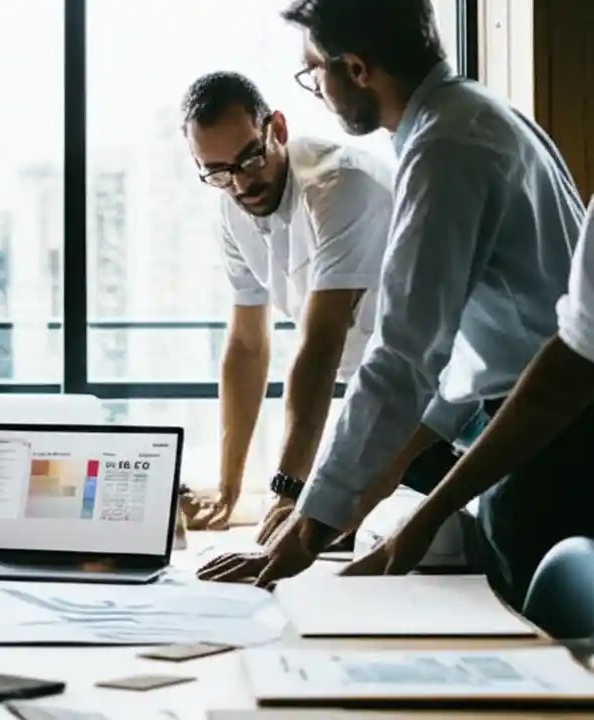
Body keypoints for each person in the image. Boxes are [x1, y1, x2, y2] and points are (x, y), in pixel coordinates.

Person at [198, 0, 585, 609]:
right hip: (522, 424)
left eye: (313, 70)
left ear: (355, 69)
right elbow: (469, 347)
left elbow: (403, 353)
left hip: (548, 444)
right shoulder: (473, 117)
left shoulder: (445, 148)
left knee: (535, 672)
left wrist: (307, 527)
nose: (314, 88)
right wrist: (362, 490)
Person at [178, 71, 398, 540]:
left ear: (276, 129)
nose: (240, 184)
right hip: (374, 391)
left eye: (250, 158)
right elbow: (246, 346)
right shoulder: (232, 208)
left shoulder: (341, 185)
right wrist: (228, 487)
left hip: (442, 393)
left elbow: (320, 347)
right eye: (218, 172)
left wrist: (285, 492)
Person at [343, 197, 594, 603]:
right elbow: (462, 373)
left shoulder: (454, 156)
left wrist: (422, 519)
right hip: (510, 437)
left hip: (550, 446)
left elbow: (559, 381)